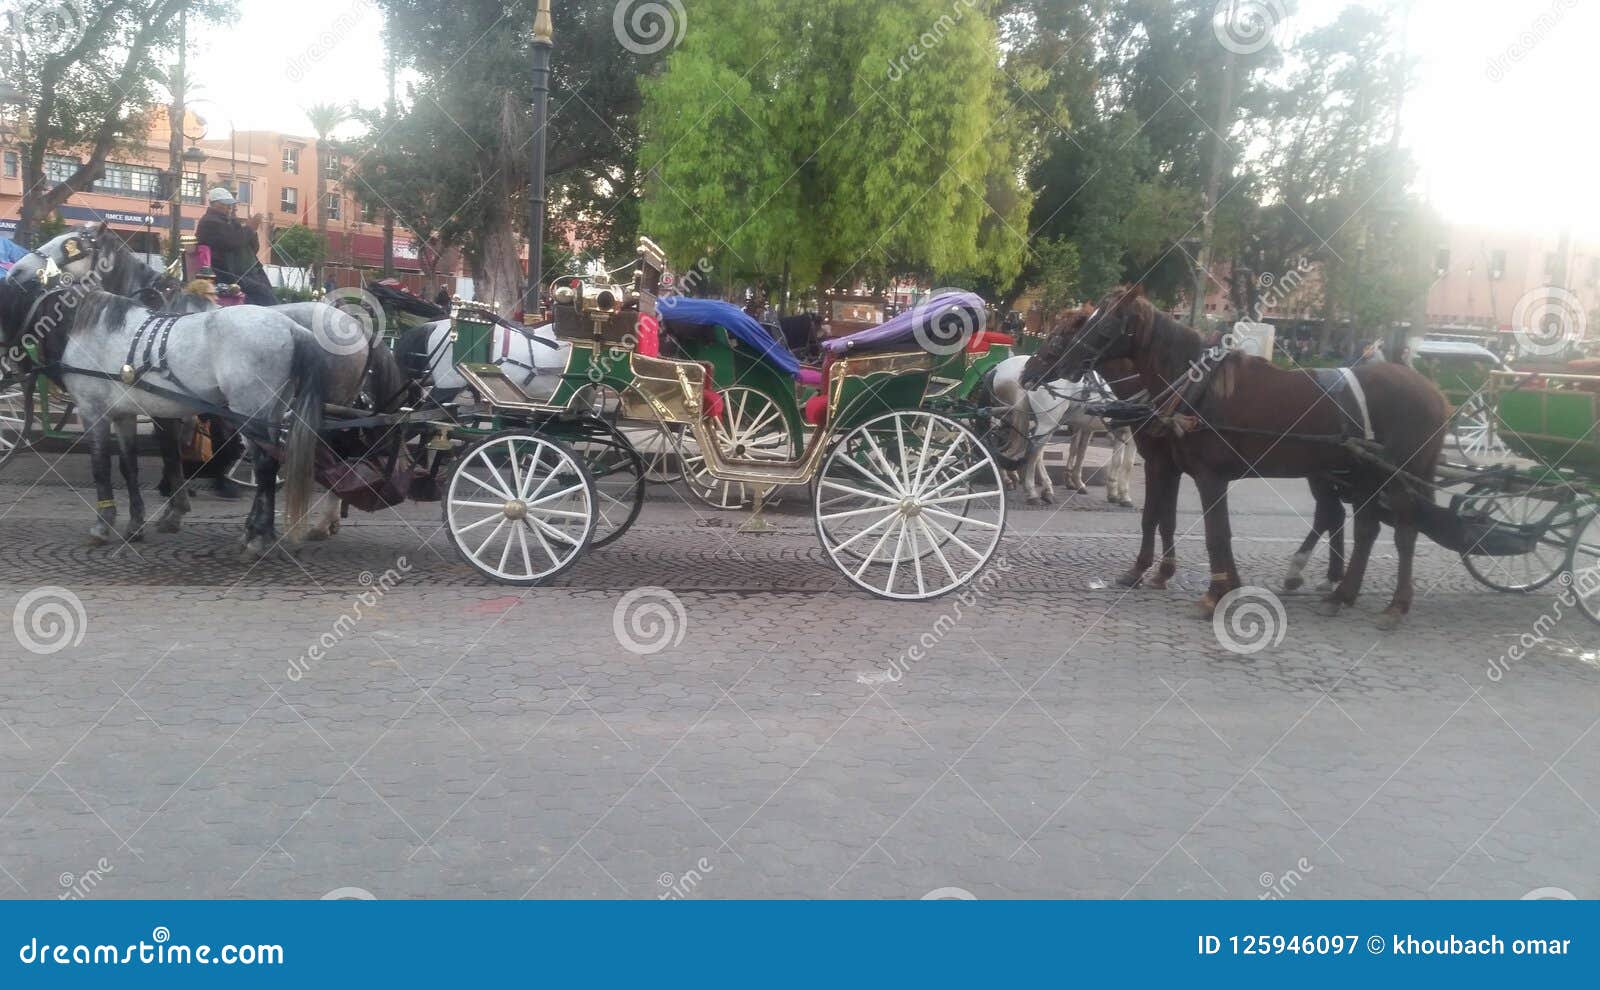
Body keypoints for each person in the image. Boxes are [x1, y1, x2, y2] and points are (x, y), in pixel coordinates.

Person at [194, 187, 274, 307]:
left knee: (267, 291)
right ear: (214, 204)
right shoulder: (209, 222)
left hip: (247, 271)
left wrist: (252, 230)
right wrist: (250, 228)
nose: (229, 208)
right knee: (262, 293)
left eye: (230, 205)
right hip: (227, 273)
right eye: (225, 204)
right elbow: (233, 242)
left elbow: (252, 248)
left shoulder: (231, 221)